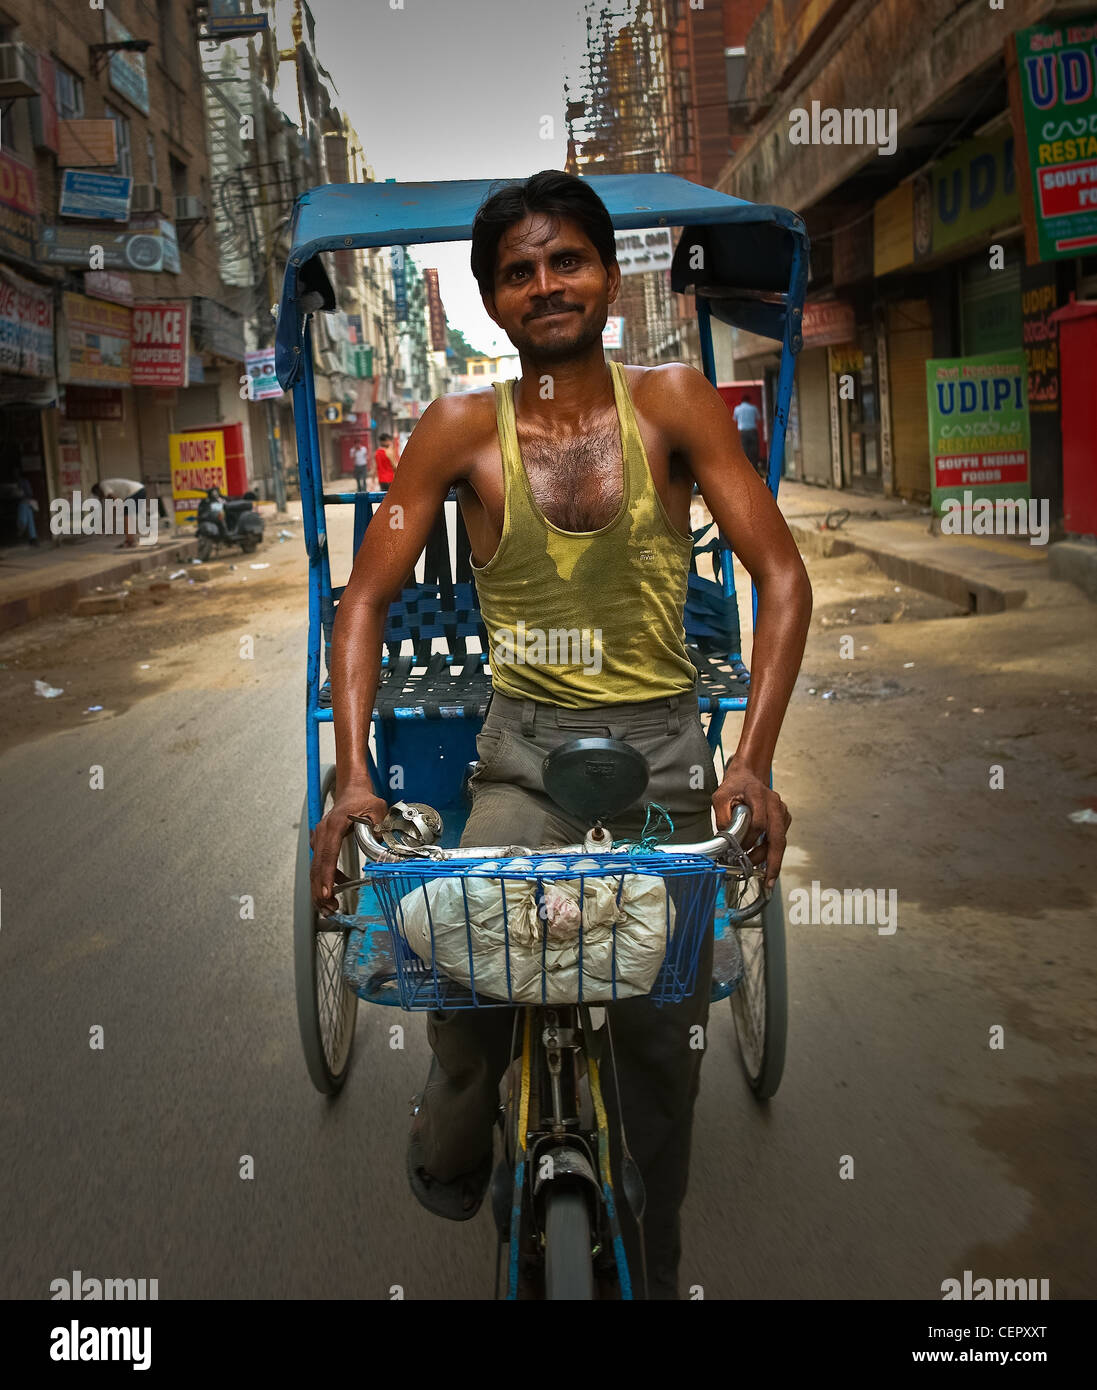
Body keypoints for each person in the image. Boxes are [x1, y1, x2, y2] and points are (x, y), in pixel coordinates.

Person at [308, 170, 811, 1299]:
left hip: (666, 757)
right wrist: (349, 777)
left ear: (608, 273)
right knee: (461, 980)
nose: (546, 284)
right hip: (524, 757)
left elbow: (779, 575)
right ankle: (460, 1130)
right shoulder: (452, 428)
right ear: (492, 299)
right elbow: (364, 601)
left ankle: (656, 1254)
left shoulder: (674, 403)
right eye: (519, 270)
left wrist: (754, 762)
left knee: (656, 1057)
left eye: (566, 259)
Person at [93, 477, 147, 548]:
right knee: (130, 516)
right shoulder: (108, 486)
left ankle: (130, 541)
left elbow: (114, 500)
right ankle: (130, 540)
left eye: (98, 495)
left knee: (127, 516)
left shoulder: (103, 485)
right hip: (141, 489)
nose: (100, 497)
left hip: (134, 491)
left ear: (98, 490)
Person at [731, 396, 763, 475]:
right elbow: (759, 419)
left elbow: (734, 419)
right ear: (749, 400)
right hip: (752, 431)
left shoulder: (737, 409)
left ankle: (745, 471)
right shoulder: (753, 408)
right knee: (754, 451)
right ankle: (755, 471)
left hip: (743, 432)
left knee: (744, 451)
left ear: (742, 401)